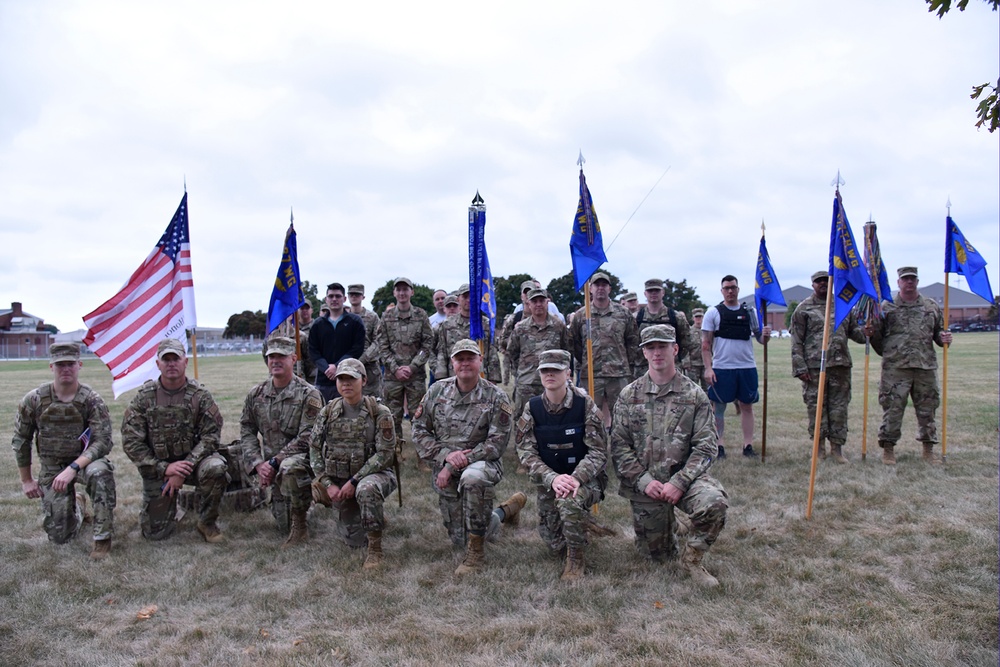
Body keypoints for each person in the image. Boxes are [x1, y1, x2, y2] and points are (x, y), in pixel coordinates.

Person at [611, 325, 728, 587]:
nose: (657, 353)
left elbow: (707, 446)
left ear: (674, 349)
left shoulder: (694, 395)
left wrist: (681, 482)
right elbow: (619, 447)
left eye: (662, 346)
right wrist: (643, 481)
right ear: (643, 353)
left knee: (714, 502)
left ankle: (692, 560)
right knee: (657, 556)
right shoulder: (629, 395)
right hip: (647, 483)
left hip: (685, 480)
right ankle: (673, 524)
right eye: (650, 348)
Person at [411, 339, 524, 575]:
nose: (465, 363)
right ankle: (506, 511)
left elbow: (496, 444)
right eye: (459, 359)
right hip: (446, 465)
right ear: (452, 363)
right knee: (459, 538)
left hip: (483, 464)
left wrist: (452, 466)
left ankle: (476, 554)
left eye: (470, 358)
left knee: (472, 479)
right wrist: (445, 457)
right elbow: (419, 430)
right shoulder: (437, 391)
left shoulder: (496, 396)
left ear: (480, 361)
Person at [12, 342, 117, 559]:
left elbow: (102, 442)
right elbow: (22, 439)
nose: (66, 369)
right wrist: (27, 480)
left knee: (101, 472)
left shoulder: (91, 400)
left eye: (70, 364)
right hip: (53, 467)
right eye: (60, 365)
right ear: (52, 367)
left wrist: (73, 468)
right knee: (60, 536)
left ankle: (102, 539)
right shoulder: (34, 400)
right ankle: (78, 504)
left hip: (84, 463)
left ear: (79, 365)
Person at [121, 339, 228, 542]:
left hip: (194, 464)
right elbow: (131, 441)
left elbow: (211, 437)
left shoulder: (200, 396)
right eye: (166, 359)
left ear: (185, 362)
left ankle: (207, 521)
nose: (171, 364)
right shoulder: (144, 398)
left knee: (216, 468)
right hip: (159, 467)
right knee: (155, 534)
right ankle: (172, 508)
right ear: (158, 364)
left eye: (175, 359)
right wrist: (164, 468)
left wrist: (183, 468)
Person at [514, 349, 607, 580]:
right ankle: (579, 523)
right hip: (550, 481)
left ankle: (575, 561)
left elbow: (598, 451)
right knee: (554, 543)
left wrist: (575, 479)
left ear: (568, 373)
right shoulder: (533, 408)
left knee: (569, 502)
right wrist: (552, 478)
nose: (549, 374)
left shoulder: (584, 405)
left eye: (555, 370)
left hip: (584, 480)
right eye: (545, 370)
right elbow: (525, 451)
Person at [309, 359, 397, 569]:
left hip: (373, 476)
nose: (346, 384)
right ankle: (369, 513)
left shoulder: (379, 412)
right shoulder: (328, 411)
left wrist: (354, 481)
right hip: (339, 480)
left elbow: (385, 454)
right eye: (342, 379)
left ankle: (375, 549)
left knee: (366, 490)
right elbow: (314, 448)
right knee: (354, 540)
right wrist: (327, 483)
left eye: (352, 378)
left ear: (364, 381)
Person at [240, 336, 323, 544]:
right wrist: (258, 464)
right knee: (283, 523)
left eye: (281, 356)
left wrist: (275, 462)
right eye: (272, 357)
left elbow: (308, 437)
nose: (275, 361)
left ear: (293, 359)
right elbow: (247, 429)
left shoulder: (309, 394)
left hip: (300, 462)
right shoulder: (256, 394)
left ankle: (306, 508)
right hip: (270, 467)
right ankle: (307, 496)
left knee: (289, 468)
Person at [866, 267, 952, 465]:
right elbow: (877, 337)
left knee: (928, 409)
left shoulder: (930, 306)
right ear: (898, 282)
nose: (909, 282)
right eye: (905, 279)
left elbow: (939, 333)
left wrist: (945, 338)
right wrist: (887, 350)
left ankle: (928, 450)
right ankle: (888, 449)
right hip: (896, 368)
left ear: (917, 281)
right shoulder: (886, 307)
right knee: (893, 408)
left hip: (924, 366)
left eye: (913, 279)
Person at [791, 271, 866, 463]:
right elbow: (796, 341)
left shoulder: (843, 305)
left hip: (840, 365)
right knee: (816, 408)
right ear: (813, 285)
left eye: (826, 280)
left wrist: (867, 332)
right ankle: (819, 449)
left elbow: (855, 334)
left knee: (839, 409)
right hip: (814, 368)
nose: (823, 284)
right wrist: (800, 367)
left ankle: (837, 449)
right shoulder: (803, 309)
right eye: (819, 281)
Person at [701, 275, 771, 458]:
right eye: (726, 288)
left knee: (747, 406)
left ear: (738, 289)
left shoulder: (750, 312)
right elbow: (706, 344)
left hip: (746, 367)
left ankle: (748, 445)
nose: (730, 291)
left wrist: (766, 335)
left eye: (733, 287)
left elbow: (761, 339)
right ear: (722, 291)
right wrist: (708, 368)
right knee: (719, 407)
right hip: (722, 368)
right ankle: (719, 445)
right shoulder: (713, 313)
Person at [569, 272, 640, 426]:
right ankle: (596, 442)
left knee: (624, 417)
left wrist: (625, 362)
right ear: (590, 289)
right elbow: (575, 344)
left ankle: (619, 442)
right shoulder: (582, 315)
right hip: (591, 375)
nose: (600, 288)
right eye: (597, 285)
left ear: (609, 289)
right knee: (589, 417)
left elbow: (633, 340)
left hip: (619, 375)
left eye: (604, 285)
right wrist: (586, 361)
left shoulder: (623, 313)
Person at [376, 277, 434, 460]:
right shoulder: (386, 317)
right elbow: (382, 346)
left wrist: (413, 366)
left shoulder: (421, 315)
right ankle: (396, 454)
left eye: (405, 289)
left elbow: (427, 344)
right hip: (392, 377)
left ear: (411, 292)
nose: (402, 293)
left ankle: (421, 455)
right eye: (398, 290)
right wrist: (395, 368)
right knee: (392, 416)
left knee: (419, 416)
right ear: (394, 293)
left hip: (415, 376)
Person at [506, 288, 571, 424]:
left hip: (552, 382)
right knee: (523, 420)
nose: (538, 304)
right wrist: (522, 371)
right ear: (529, 304)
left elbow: (566, 350)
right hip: (526, 383)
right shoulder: (520, 328)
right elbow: (512, 352)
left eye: (541, 301)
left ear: (547, 302)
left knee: (554, 418)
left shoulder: (558, 326)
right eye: (534, 301)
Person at [308, 282, 366, 403]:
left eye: (338, 296)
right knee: (322, 411)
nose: (334, 299)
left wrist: (338, 366)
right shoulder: (318, 324)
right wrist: (326, 368)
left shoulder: (355, 322)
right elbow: (313, 350)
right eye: (331, 296)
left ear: (344, 299)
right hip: (323, 380)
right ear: (326, 299)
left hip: (348, 380)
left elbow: (357, 348)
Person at [435, 283, 502, 384]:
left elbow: (492, 352)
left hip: (481, 378)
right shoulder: (447, 325)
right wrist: (441, 379)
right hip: (454, 378)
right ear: (458, 299)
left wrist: (493, 379)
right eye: (465, 297)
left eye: (472, 297)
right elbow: (442, 353)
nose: (469, 300)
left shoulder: (485, 324)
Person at [634, 278, 693, 378]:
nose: (653, 293)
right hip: (642, 369)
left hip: (670, 369)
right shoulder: (636, 318)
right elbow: (631, 343)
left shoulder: (675, 317)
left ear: (663, 292)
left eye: (657, 290)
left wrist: (677, 359)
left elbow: (686, 342)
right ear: (645, 293)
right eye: (650, 291)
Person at [347, 283, 383, 399]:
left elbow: (378, 341)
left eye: (357, 294)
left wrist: (362, 359)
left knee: (372, 403)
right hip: (348, 368)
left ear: (363, 297)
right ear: (347, 296)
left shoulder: (372, 317)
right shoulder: (343, 317)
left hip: (369, 370)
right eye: (352, 294)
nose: (354, 297)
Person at [681, 308, 707, 391]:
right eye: (696, 317)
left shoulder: (707, 331)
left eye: (700, 317)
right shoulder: (689, 332)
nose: (698, 319)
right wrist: (686, 362)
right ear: (693, 318)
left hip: (706, 364)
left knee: (708, 388)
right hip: (693, 364)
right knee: (693, 388)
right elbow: (685, 347)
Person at [295, 301, 317, 383]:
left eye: (307, 308)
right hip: (297, 371)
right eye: (302, 308)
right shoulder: (293, 329)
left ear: (312, 310)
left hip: (313, 372)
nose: (304, 310)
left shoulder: (317, 326)